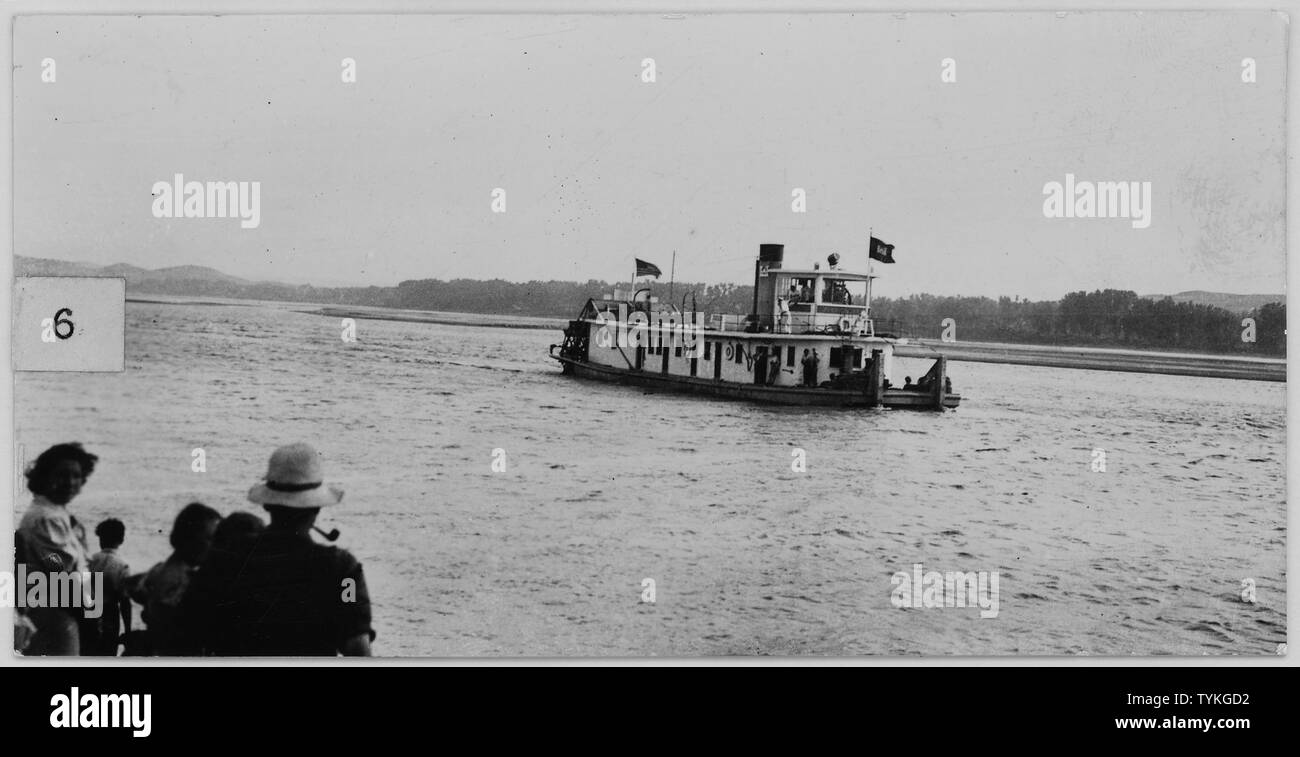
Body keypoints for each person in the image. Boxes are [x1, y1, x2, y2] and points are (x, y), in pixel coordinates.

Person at [183, 443, 374, 656]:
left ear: (266, 503)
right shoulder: (343, 573)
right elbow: (357, 647)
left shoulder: (221, 562)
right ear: (317, 507)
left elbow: (185, 635)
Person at [18, 443, 99, 655]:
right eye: (62, 475)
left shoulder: (57, 513)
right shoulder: (45, 518)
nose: (70, 482)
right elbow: (58, 565)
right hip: (55, 613)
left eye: (76, 476)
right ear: (44, 477)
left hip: (62, 608)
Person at [129, 502, 220, 655]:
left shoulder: (162, 569)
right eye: (210, 538)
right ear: (190, 540)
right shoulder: (178, 579)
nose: (216, 545)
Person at [84, 519, 132, 656]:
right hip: (110, 615)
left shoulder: (89, 561)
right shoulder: (122, 565)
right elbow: (125, 602)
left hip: (88, 613)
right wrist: (128, 630)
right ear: (121, 540)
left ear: (100, 538)